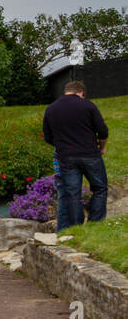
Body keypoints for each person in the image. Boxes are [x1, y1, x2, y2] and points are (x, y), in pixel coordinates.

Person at [42, 80, 110, 230]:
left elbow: (47, 137)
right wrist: (102, 147)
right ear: (82, 93)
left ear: (66, 91)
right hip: (90, 154)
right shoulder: (88, 105)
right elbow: (103, 131)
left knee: (73, 193)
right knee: (99, 188)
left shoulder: (51, 109)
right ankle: (95, 224)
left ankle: (76, 228)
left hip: (66, 157)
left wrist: (63, 146)